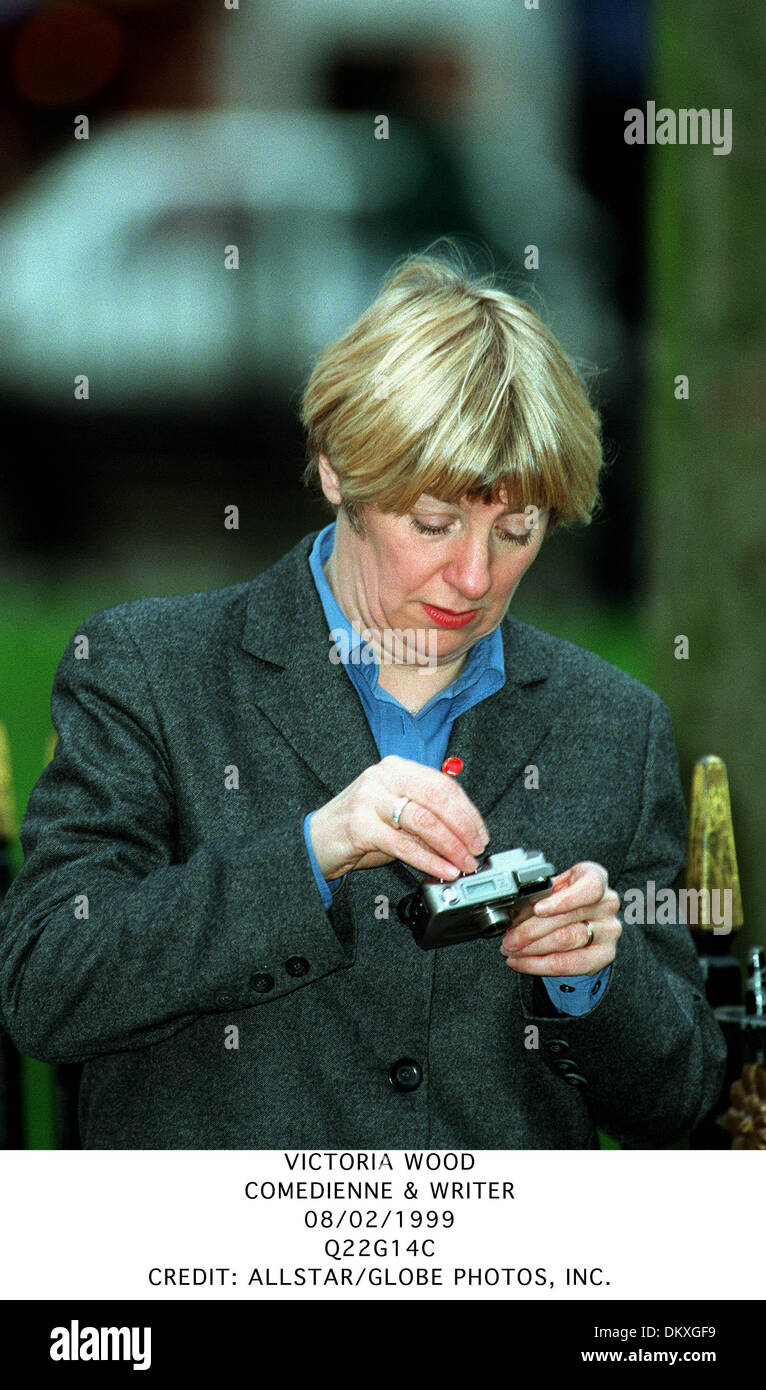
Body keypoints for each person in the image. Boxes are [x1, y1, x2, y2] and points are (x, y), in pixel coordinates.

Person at [0, 250, 726, 1149]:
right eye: (434, 523)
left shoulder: (614, 724)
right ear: (337, 469)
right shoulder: (149, 670)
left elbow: (686, 1098)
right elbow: (47, 984)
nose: (474, 576)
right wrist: (312, 851)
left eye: (516, 531)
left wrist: (593, 980)